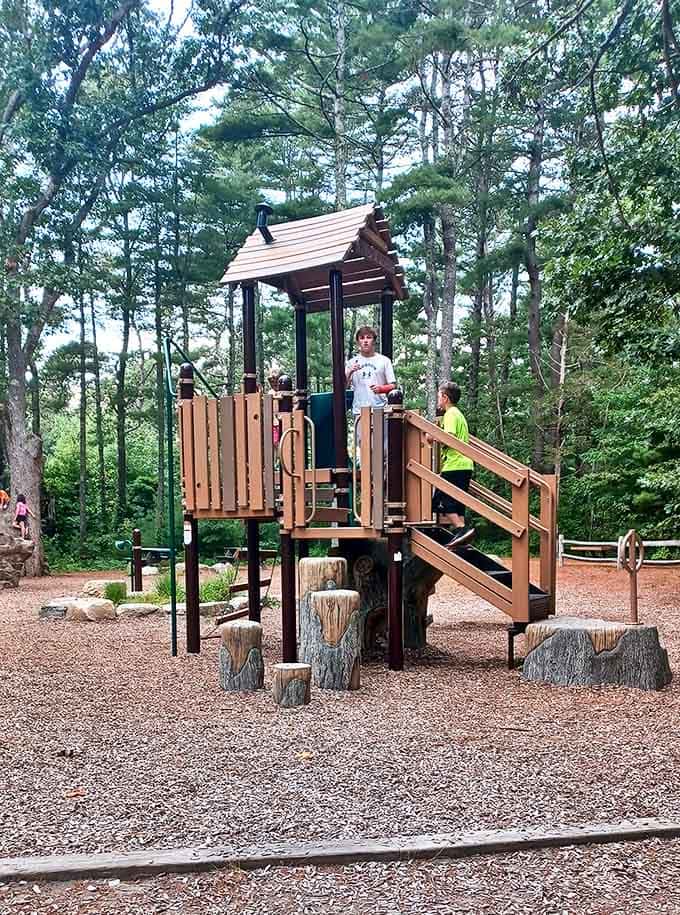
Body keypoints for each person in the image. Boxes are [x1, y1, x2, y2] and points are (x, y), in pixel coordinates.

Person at [431, 382, 475, 549]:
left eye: (438, 396)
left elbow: (448, 437)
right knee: (457, 505)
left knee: (439, 501)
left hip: (454, 464)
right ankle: (464, 541)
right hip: (465, 464)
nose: (437, 400)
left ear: (445, 398)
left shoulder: (450, 414)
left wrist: (431, 436)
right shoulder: (459, 415)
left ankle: (461, 529)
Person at [345, 326, 396, 452]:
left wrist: (381, 388)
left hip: (379, 409)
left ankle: (381, 472)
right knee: (364, 447)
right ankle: (366, 472)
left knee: (379, 449)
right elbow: (344, 386)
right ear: (358, 342)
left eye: (369, 337)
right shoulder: (351, 362)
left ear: (374, 341)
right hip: (359, 411)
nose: (365, 341)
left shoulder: (384, 361)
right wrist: (350, 372)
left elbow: (393, 385)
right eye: (362, 338)